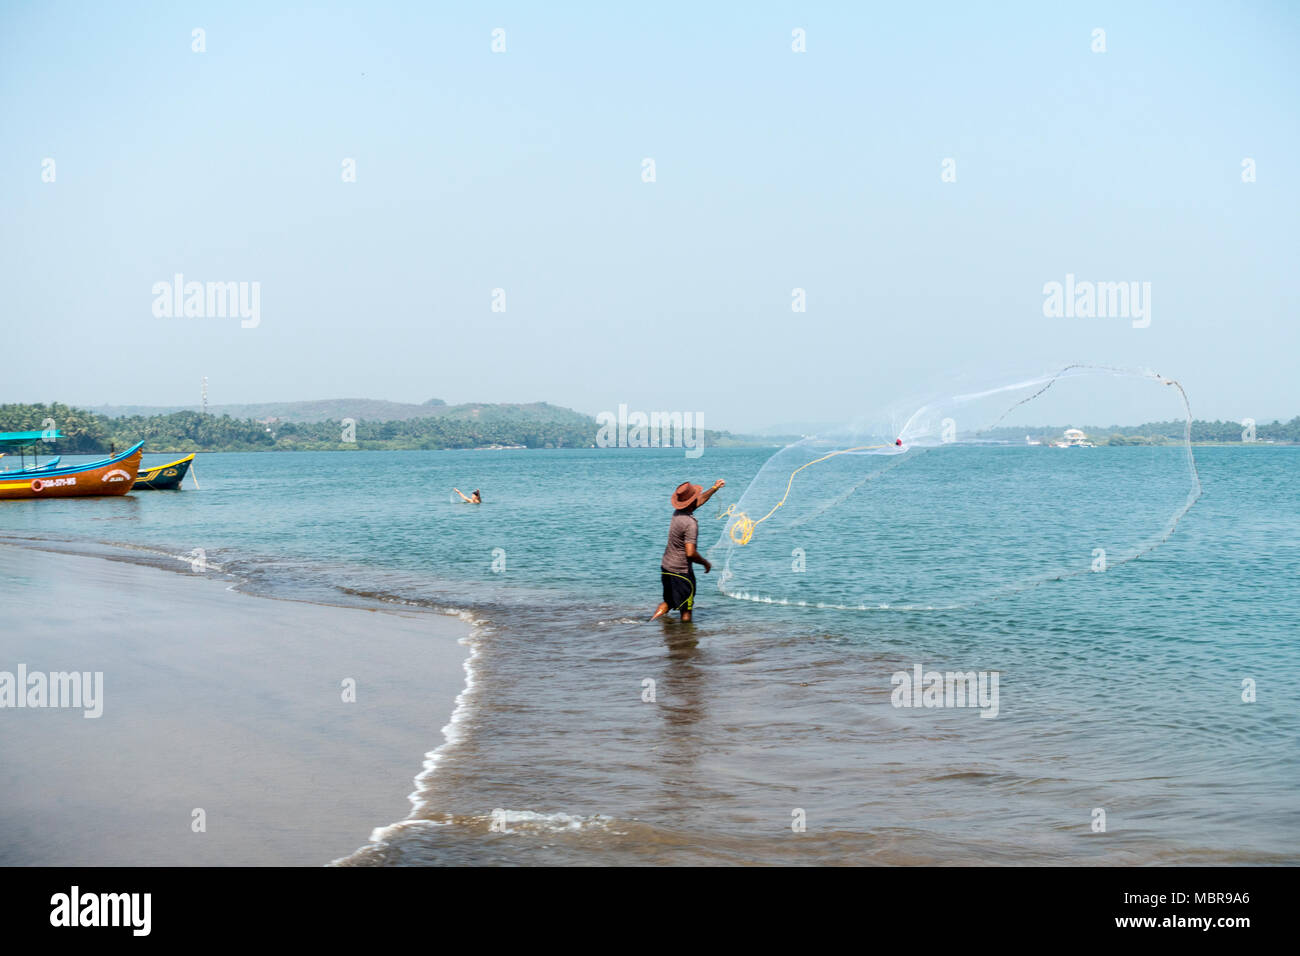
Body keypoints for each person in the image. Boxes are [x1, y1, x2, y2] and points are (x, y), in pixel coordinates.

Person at [652, 479, 725, 622]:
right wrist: (705, 563)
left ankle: (647, 624)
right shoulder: (691, 523)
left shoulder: (677, 514)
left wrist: (715, 488)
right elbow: (690, 552)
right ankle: (686, 642)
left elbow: (699, 501)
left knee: (669, 602)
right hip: (682, 572)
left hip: (666, 567)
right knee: (686, 611)